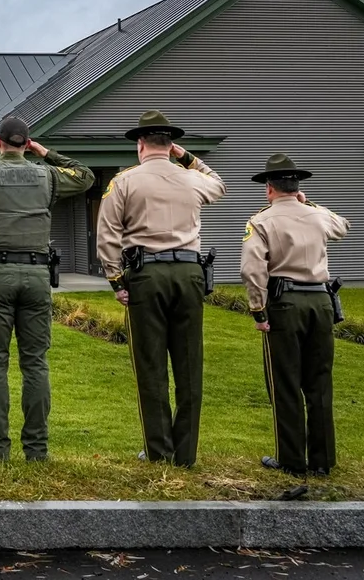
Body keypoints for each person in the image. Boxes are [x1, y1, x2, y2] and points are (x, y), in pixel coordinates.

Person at [0, 116, 97, 462]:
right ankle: (36, 449)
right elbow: (86, 176)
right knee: (35, 363)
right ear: (26, 144)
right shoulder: (47, 175)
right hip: (36, 275)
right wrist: (48, 154)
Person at [96, 109, 225, 468]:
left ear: (140, 145)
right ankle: (186, 453)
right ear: (171, 145)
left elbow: (107, 236)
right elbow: (219, 182)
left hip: (146, 274)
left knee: (151, 364)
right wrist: (186, 158)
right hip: (189, 273)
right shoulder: (192, 179)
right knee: (188, 364)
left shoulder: (124, 181)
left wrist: (116, 280)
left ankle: (159, 450)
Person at [241, 153, 350, 478]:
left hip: (285, 302)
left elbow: (252, 269)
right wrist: (308, 203)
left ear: (269, 189)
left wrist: (258, 310)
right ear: (297, 187)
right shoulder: (317, 216)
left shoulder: (261, 221)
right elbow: (343, 226)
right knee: (319, 382)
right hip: (321, 301)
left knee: (285, 382)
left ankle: (291, 459)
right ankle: (322, 460)